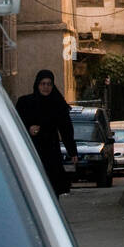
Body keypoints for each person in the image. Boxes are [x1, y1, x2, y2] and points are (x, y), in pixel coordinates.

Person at [16, 69, 77, 197]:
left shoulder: (58, 104)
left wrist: (72, 151)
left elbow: (65, 128)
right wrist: (28, 128)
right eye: (43, 84)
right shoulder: (25, 103)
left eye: (49, 84)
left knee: (52, 188)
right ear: (37, 85)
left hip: (51, 150)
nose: (46, 87)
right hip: (32, 150)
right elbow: (16, 123)